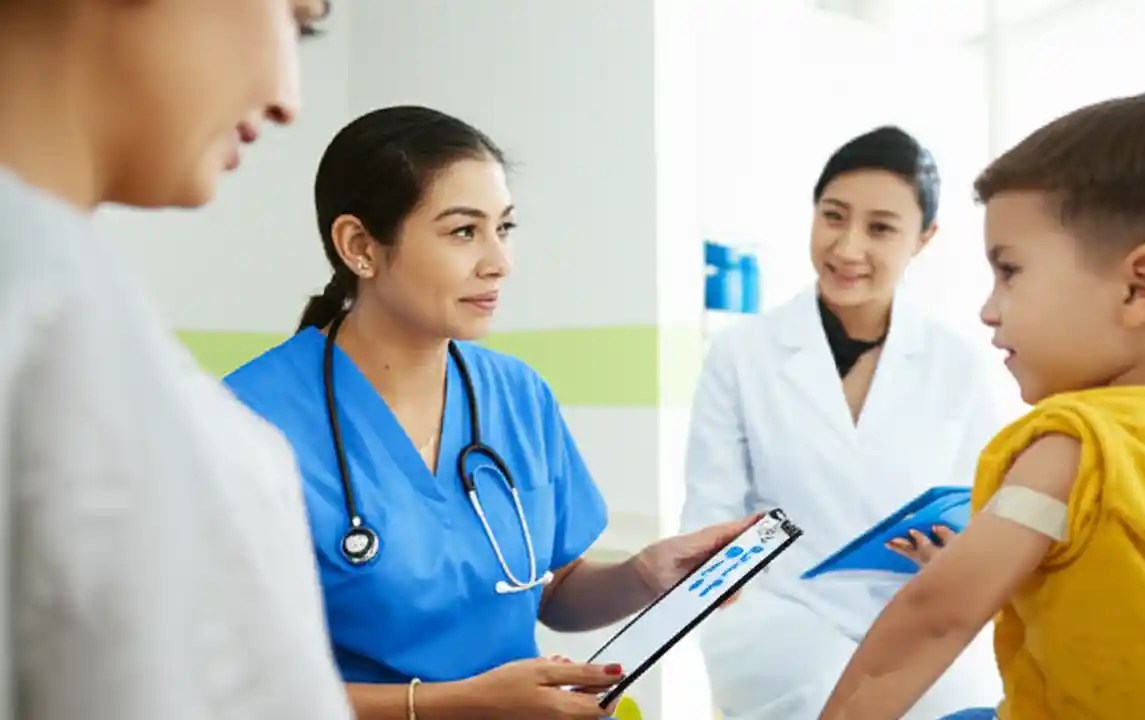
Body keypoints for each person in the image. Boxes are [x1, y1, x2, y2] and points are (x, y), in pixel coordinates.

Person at [224, 105, 756, 720]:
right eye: (462, 232)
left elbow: (548, 592)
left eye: (503, 228)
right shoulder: (248, 422)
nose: (499, 262)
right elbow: (232, 684)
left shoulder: (517, 395)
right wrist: (455, 704)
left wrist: (644, 576)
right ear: (360, 246)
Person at [820, 92, 1145, 720]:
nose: (989, 308)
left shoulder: (1074, 445)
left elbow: (934, 617)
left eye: (1009, 271)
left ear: (1140, 287)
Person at [0, 0, 353, 718]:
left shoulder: (71, 307)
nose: (290, 99)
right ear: (358, 247)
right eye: (296, 17)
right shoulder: (52, 322)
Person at [680, 126, 1004, 720]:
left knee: (972, 713)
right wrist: (721, 589)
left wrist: (954, 555)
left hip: (917, 606)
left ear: (923, 239)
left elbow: (979, 510)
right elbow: (709, 513)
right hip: (781, 613)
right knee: (828, 702)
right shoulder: (742, 353)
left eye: (880, 228)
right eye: (833, 217)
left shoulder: (958, 364)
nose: (848, 247)